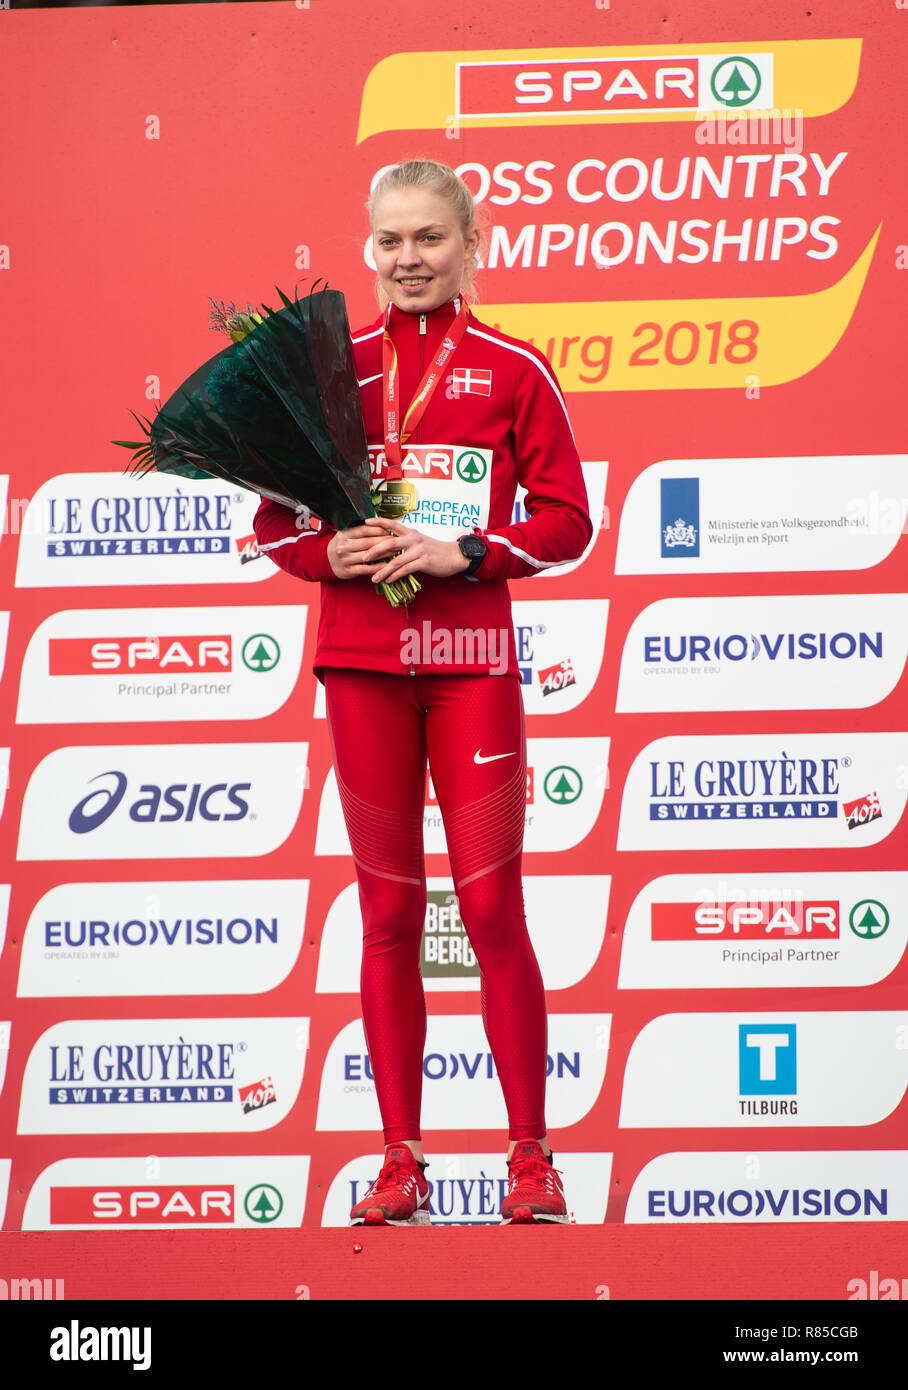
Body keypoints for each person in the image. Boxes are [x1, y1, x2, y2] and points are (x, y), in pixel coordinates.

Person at [253, 159, 592, 1226]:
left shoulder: (511, 368)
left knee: (491, 907)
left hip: (470, 672)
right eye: (389, 241)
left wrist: (464, 550)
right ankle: (399, 1158)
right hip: (360, 667)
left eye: (428, 239)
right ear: (369, 248)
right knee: (389, 912)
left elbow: (568, 520)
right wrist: (330, 555)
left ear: (469, 243)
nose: (407, 260)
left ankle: (529, 1157)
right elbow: (274, 526)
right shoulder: (324, 369)